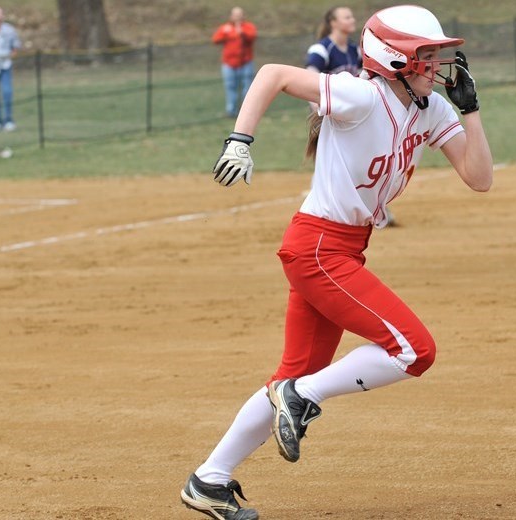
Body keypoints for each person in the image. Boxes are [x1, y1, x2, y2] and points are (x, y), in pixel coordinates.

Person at [181, 6, 492, 519]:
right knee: (413, 350)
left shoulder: (432, 108)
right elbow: (272, 74)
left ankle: (209, 479)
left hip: (339, 249)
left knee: (294, 372)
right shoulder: (360, 96)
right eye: (428, 54)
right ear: (395, 59)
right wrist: (240, 140)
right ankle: (300, 395)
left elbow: (479, 178)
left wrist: (471, 111)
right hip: (319, 247)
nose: (440, 65)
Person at [212, 7, 257, 118]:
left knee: (247, 88)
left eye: (239, 14)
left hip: (246, 63)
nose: (237, 17)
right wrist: (226, 33)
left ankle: (246, 112)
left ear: (243, 15)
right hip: (229, 63)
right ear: (231, 16)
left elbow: (252, 37)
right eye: (235, 15)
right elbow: (215, 39)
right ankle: (231, 111)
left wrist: (242, 32)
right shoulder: (226, 28)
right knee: (231, 86)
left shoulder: (248, 27)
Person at [305, 6, 362, 76]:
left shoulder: (355, 49)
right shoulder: (321, 49)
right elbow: (310, 76)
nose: (353, 20)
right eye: (347, 18)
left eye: (352, 17)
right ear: (333, 23)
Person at [0, 6, 21, 132]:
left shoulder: (9, 30)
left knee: (7, 92)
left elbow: (15, 47)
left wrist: (12, 54)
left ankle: (8, 120)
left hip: (5, 65)